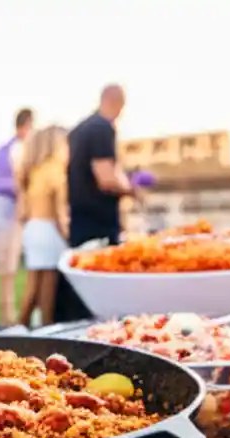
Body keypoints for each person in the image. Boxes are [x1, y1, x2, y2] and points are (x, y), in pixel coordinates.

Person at [57, 84, 135, 322]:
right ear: (118, 103)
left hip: (80, 216)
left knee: (76, 289)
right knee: (99, 293)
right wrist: (132, 190)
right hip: (99, 221)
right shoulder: (102, 128)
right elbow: (106, 178)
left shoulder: (79, 130)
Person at [0, 108, 33, 328]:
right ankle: (7, 319)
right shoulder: (18, 149)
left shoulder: (4, 148)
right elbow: (20, 184)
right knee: (8, 268)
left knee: (7, 268)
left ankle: (8, 317)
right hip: (4, 206)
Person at [17, 125, 69, 328]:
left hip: (32, 229)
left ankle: (21, 328)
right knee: (48, 287)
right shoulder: (55, 171)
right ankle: (46, 329)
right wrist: (68, 236)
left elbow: (23, 212)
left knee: (32, 287)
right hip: (49, 231)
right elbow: (59, 212)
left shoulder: (32, 172)